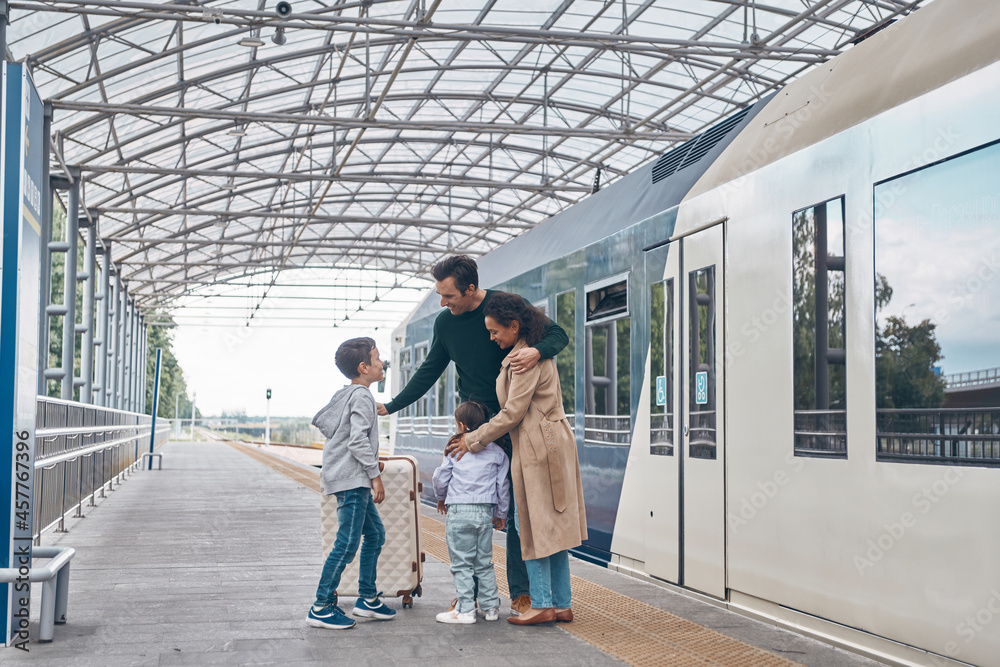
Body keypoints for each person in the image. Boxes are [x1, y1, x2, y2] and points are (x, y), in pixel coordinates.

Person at [376, 255, 568, 615]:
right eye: (439, 295)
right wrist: (392, 405)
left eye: (448, 296)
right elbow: (429, 369)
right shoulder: (445, 324)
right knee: (468, 507)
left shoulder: (502, 308)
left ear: (470, 289)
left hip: (516, 419)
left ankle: (520, 592)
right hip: (474, 421)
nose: (443, 303)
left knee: (516, 510)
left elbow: (558, 334)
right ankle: (474, 593)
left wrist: (536, 351)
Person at [447, 293, 587, 626]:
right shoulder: (535, 349)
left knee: (531, 526)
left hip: (537, 446)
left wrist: (473, 440)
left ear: (514, 326)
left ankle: (541, 603)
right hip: (552, 442)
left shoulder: (522, 359)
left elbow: (512, 412)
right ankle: (562, 603)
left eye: (495, 332)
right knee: (554, 527)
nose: (492, 338)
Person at [307, 337, 397, 630]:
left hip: (348, 476)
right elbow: (358, 441)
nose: (382, 362)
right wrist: (375, 475)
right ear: (363, 366)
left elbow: (350, 440)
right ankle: (320, 606)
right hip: (353, 480)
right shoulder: (362, 397)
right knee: (346, 544)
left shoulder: (347, 394)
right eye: (377, 357)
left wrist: (372, 463)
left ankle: (367, 598)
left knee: (375, 535)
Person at [432, 400, 510, 624]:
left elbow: (440, 478)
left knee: (461, 564)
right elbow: (502, 487)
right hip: (484, 513)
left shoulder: (455, 448)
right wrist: (501, 514)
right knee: (483, 563)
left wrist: (440, 497)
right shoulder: (497, 453)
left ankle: (465, 609)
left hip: (460, 512)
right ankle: (491, 608)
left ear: (461, 425)